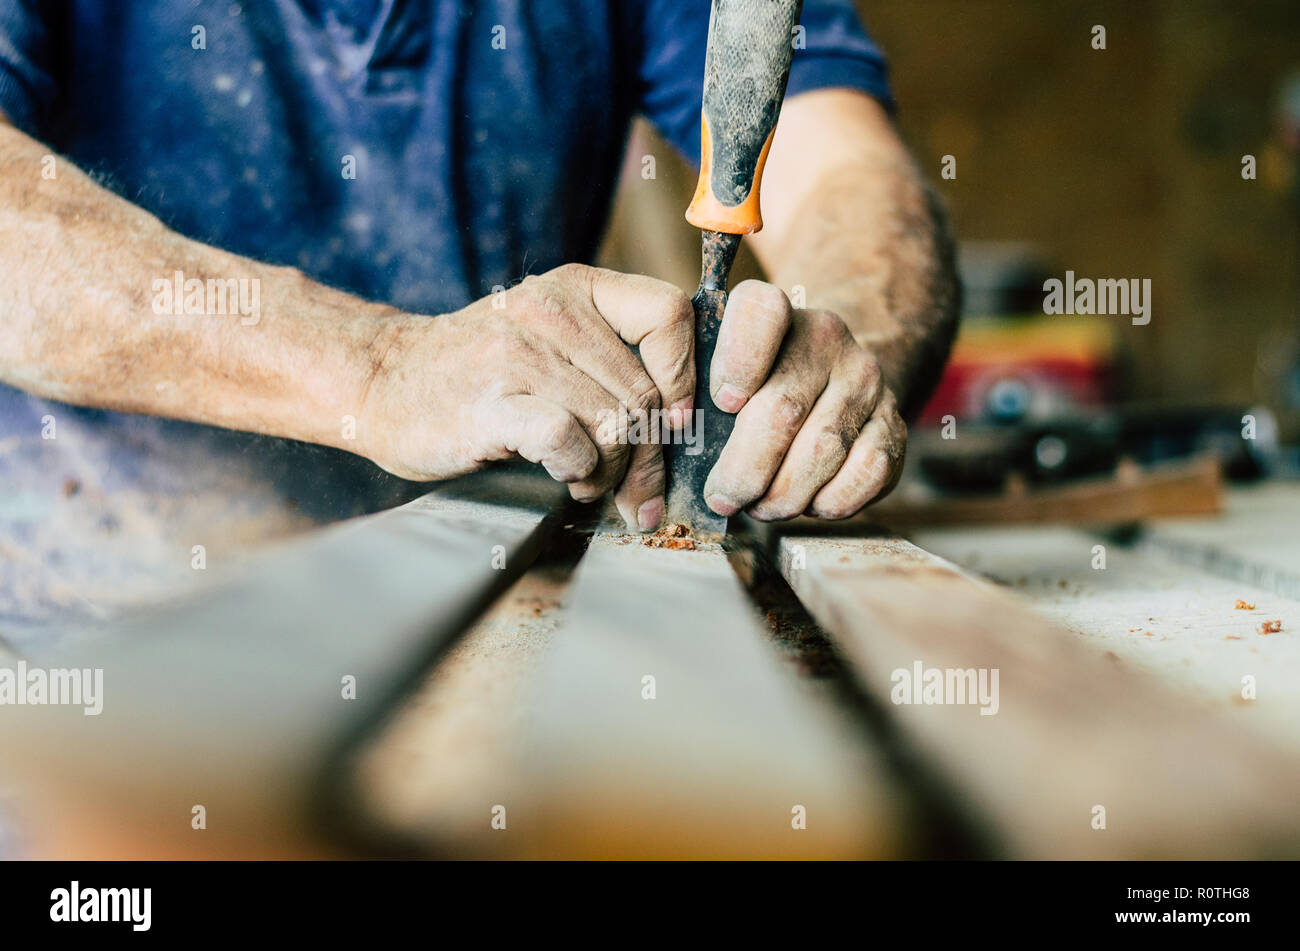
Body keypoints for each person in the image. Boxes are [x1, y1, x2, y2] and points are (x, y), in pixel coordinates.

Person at [0, 1, 957, 640]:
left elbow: (845, 177)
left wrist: (841, 353)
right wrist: (375, 369)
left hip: (497, 638)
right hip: (96, 651)